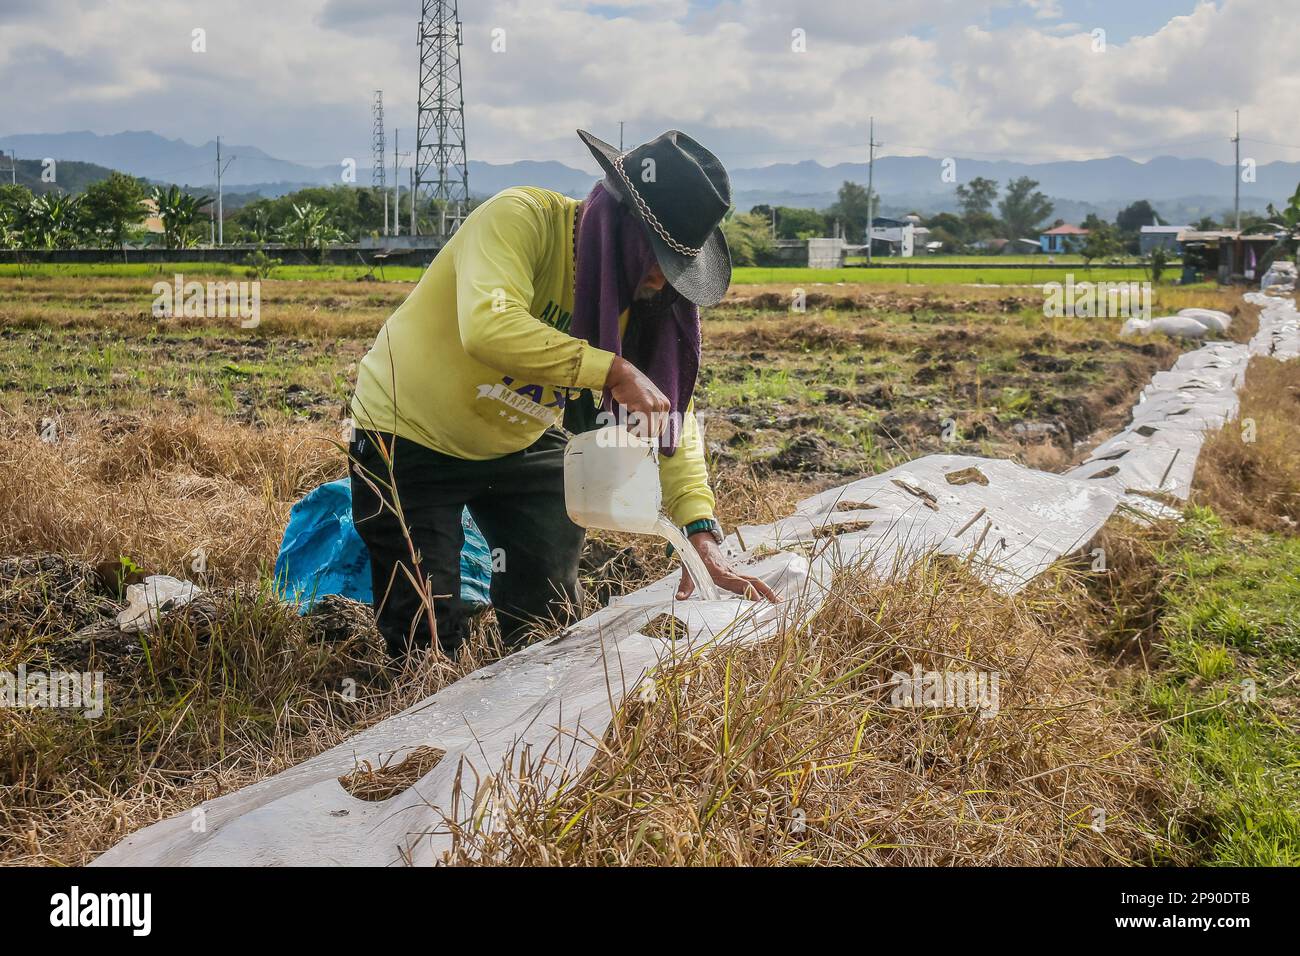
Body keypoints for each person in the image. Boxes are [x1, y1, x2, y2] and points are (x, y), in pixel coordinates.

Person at [348, 129, 777, 658]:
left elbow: (664, 413)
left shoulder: (640, 298)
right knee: (426, 633)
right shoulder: (520, 219)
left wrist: (700, 530)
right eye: (656, 260)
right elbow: (487, 327)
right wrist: (610, 368)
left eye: (673, 270)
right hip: (408, 432)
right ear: (619, 223)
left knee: (548, 617)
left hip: (518, 440)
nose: (661, 283)